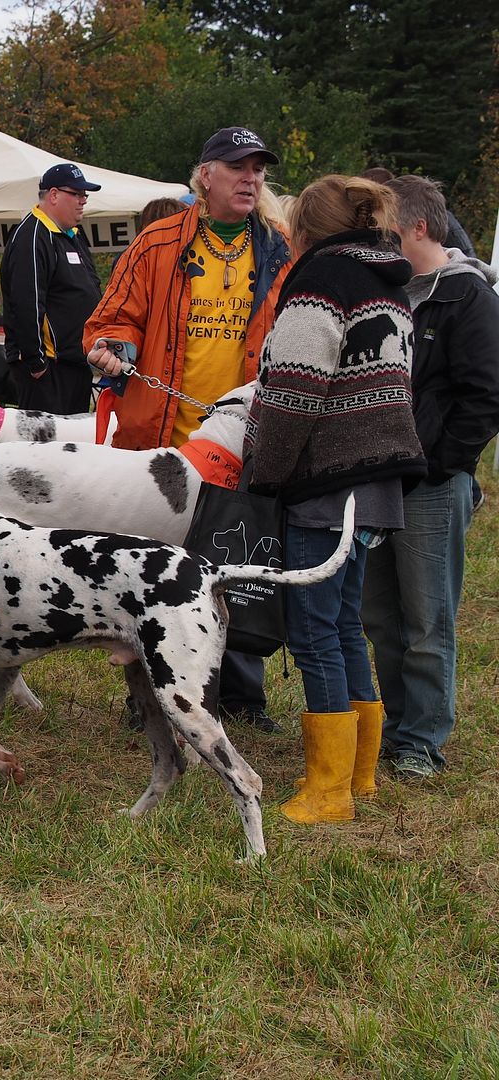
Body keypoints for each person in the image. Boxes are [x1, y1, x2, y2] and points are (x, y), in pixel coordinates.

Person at [86, 126, 294, 733]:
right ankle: (150, 697)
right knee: (153, 572)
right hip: (164, 442)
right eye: (237, 168)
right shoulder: (157, 244)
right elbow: (112, 319)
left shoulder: (279, 252)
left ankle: (242, 697)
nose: (250, 178)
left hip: (244, 442)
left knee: (240, 561)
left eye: (258, 169)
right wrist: (114, 347)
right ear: (206, 175)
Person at [245, 175, 427, 824]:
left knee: (315, 631)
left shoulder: (318, 283)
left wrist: (266, 470)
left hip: (329, 480)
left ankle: (327, 792)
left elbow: (295, 392)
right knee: (345, 624)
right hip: (378, 477)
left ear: (304, 232)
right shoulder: (389, 281)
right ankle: (359, 775)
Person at [361, 175, 499, 780]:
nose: (379, 245)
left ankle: (421, 742)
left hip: (432, 488)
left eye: (388, 233)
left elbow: (486, 395)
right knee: (382, 617)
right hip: (376, 481)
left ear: (417, 227)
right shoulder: (386, 291)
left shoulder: (469, 298)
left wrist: (443, 464)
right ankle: (397, 729)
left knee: (427, 619)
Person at [0, 163, 102, 413]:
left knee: (71, 447)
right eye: (76, 194)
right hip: (48, 368)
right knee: (45, 447)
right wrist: (36, 361)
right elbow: (28, 302)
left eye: (84, 195)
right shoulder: (33, 235)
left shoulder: (73, 234)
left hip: (76, 361)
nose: (82, 201)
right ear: (54, 195)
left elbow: (90, 287)